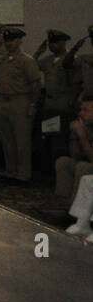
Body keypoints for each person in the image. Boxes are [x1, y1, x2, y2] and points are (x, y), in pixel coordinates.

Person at [0, 27, 42, 182]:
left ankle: (23, 174)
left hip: (21, 101)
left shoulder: (26, 60)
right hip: (3, 101)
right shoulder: (1, 59)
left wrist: (33, 105)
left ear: (19, 41)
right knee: (7, 140)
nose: (9, 43)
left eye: (12, 40)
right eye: (7, 40)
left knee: (21, 140)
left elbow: (36, 84)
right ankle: (11, 170)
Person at [58, 98, 93, 236]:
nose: (81, 113)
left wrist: (82, 136)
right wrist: (74, 136)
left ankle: (75, 214)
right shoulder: (84, 126)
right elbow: (75, 156)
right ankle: (64, 205)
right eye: (80, 109)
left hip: (89, 166)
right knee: (64, 162)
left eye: (86, 110)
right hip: (85, 163)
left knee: (83, 167)